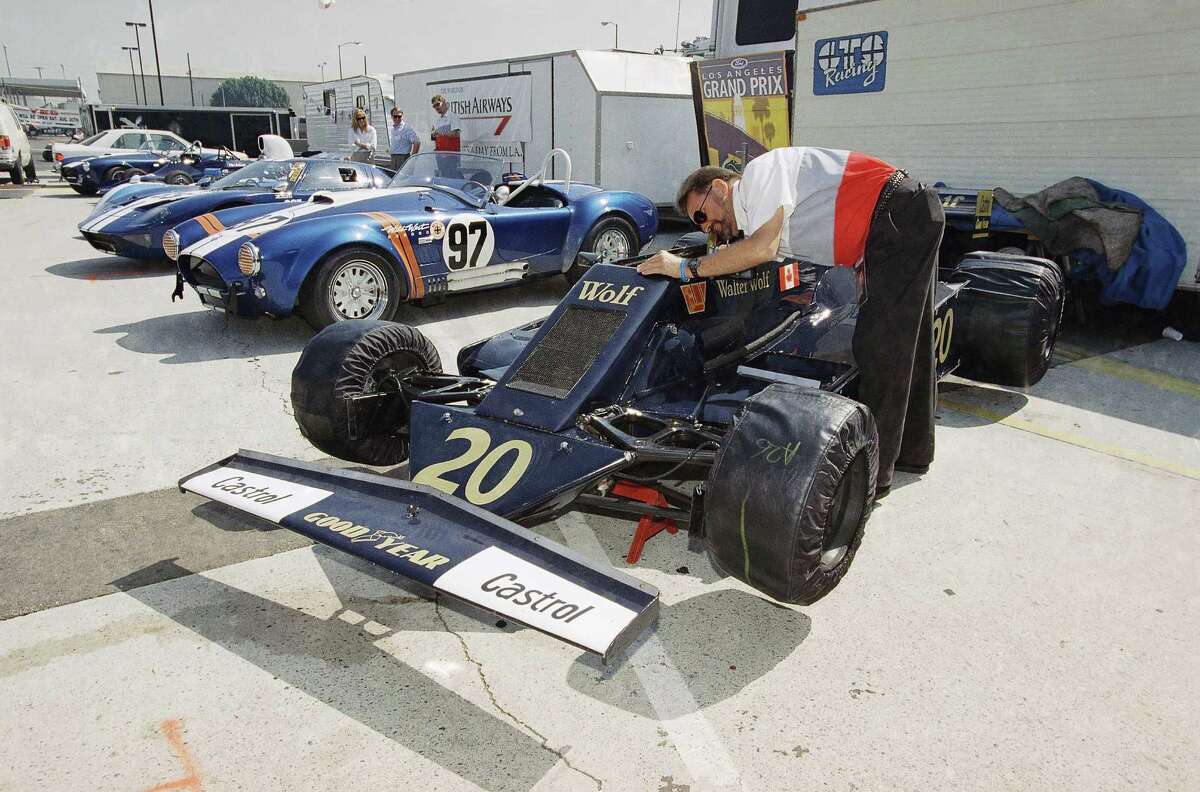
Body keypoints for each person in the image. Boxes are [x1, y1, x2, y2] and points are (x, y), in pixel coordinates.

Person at [637, 148, 945, 498]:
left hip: (898, 213)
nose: (707, 227)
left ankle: (873, 478)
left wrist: (682, 267)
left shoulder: (757, 176)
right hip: (900, 217)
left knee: (880, 347)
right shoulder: (758, 214)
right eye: (699, 225)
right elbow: (764, 247)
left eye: (701, 215)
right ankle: (914, 453)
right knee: (909, 340)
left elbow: (761, 249)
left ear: (721, 188)